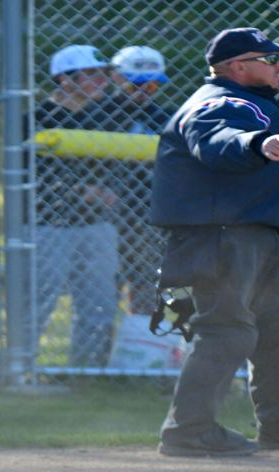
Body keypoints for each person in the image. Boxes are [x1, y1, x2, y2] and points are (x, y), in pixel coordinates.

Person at [149, 27, 279, 457]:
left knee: (278, 331)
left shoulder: (251, 102)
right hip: (222, 236)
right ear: (238, 67)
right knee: (226, 330)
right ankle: (188, 430)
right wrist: (254, 141)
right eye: (271, 59)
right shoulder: (224, 102)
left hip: (248, 235)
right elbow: (215, 138)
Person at [31, 45, 124, 369]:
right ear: (65, 80)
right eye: (92, 74)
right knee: (38, 300)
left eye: (103, 74)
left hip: (97, 225)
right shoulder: (39, 116)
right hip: (47, 225)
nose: (102, 80)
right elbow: (30, 175)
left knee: (99, 304)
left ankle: (85, 371)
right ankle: (22, 368)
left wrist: (101, 194)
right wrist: (79, 190)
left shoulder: (105, 116)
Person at [106, 46, 172, 317]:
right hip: (108, 212)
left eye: (153, 84)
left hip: (150, 212)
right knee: (106, 285)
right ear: (116, 78)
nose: (145, 89)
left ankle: (143, 350)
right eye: (136, 84)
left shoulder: (166, 117)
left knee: (147, 282)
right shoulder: (101, 115)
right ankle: (95, 355)